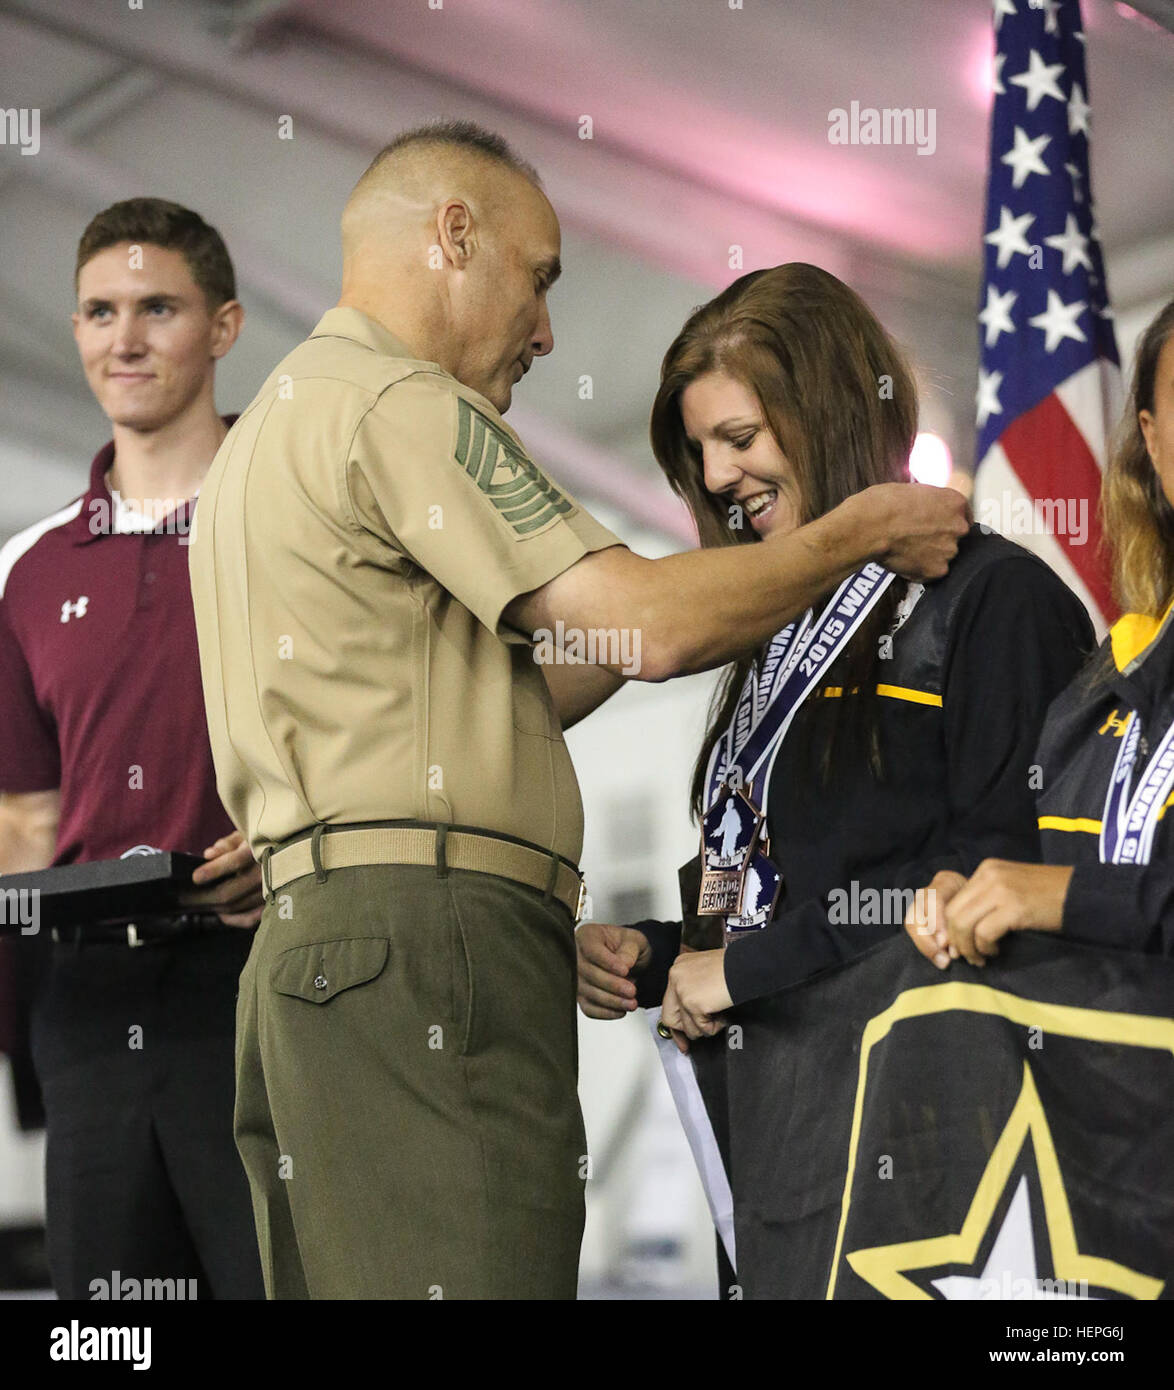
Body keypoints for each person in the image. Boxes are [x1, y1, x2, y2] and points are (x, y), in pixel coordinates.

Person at [187, 121, 968, 1301]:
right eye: (538, 274)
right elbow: (644, 628)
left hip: (311, 962)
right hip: (425, 952)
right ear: (455, 234)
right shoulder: (401, 404)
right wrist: (859, 530)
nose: (548, 329)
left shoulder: (261, 435)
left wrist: (739, 577)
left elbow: (512, 689)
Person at [575, 262, 1094, 1052]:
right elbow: (798, 895)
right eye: (701, 450)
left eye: (740, 439)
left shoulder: (995, 600)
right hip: (785, 1108)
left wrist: (745, 973)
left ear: (830, 413)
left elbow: (1004, 871)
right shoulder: (779, 632)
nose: (716, 477)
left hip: (936, 1107)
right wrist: (662, 955)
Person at [0, 198, 266, 1299]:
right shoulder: (27, 564)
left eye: (159, 307)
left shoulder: (296, 524)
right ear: (73, 332)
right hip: (90, 995)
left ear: (224, 326)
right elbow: (24, 819)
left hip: (265, 974)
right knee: (107, 1325)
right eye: (102, 311)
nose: (127, 338)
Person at [906, 298, 1174, 969]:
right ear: (1152, 436)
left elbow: (1070, 893)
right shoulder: (1107, 682)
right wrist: (975, 897)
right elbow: (1047, 878)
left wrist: (1066, 898)